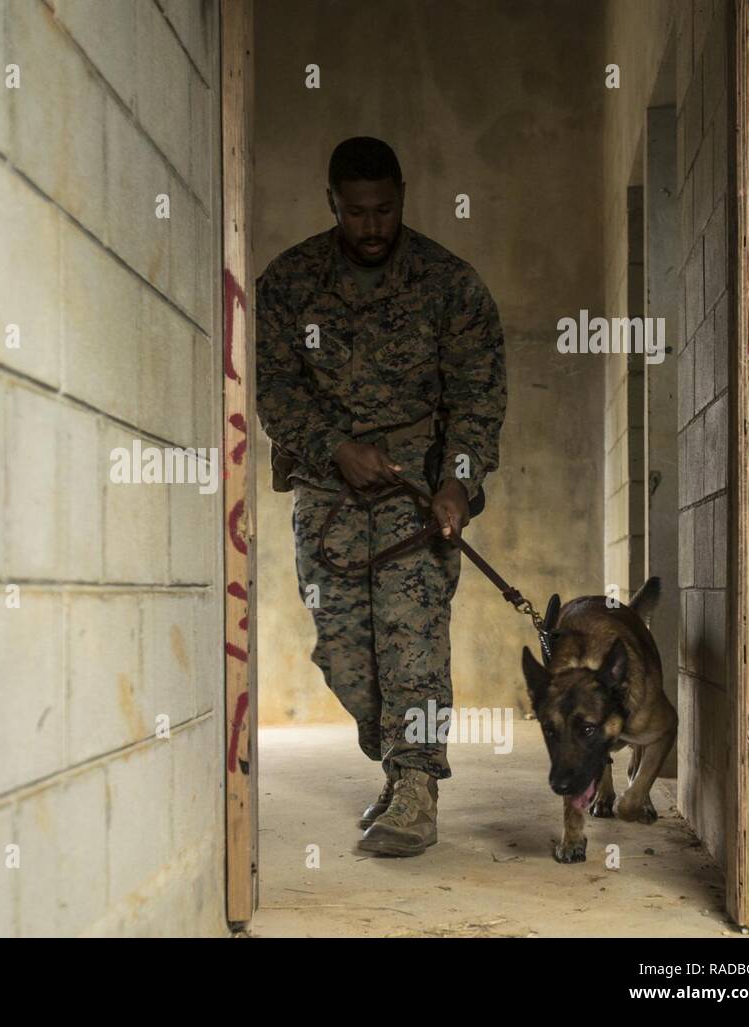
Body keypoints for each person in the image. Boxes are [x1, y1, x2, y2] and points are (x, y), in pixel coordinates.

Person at [254, 136, 507, 857]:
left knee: (412, 638)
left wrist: (457, 478)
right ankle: (394, 761)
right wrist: (335, 445)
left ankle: (418, 783)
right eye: (356, 211)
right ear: (330, 201)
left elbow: (478, 398)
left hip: (414, 490)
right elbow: (273, 389)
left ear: (402, 195)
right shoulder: (289, 283)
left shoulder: (448, 284)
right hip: (325, 492)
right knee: (344, 655)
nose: (371, 226)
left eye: (384, 210)